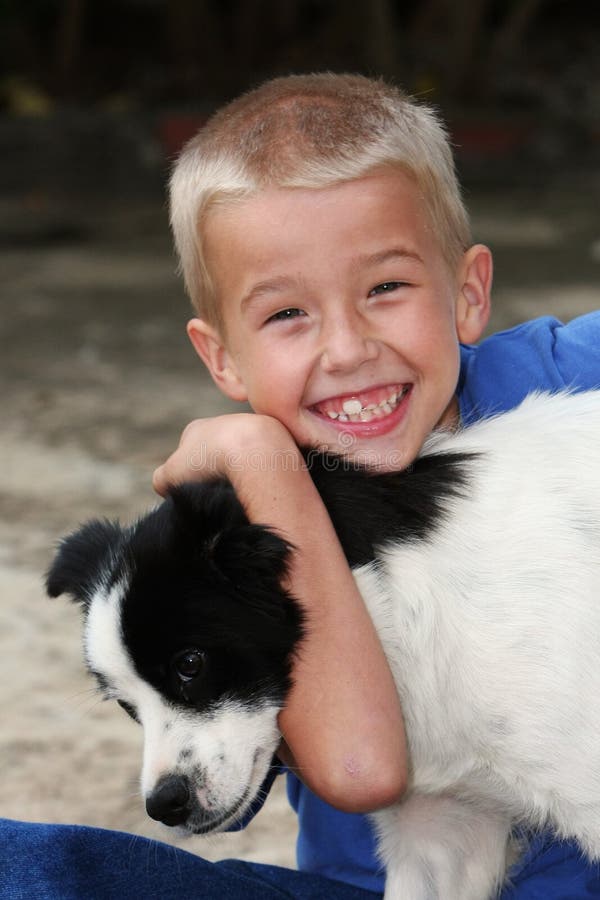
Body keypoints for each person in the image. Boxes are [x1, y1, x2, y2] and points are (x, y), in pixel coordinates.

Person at [2, 73, 599, 899]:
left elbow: (363, 772)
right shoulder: (224, 555)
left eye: (385, 287)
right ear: (222, 358)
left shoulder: (563, 385)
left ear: (468, 295)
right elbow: (396, 799)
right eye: (288, 315)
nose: (348, 350)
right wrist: (263, 461)